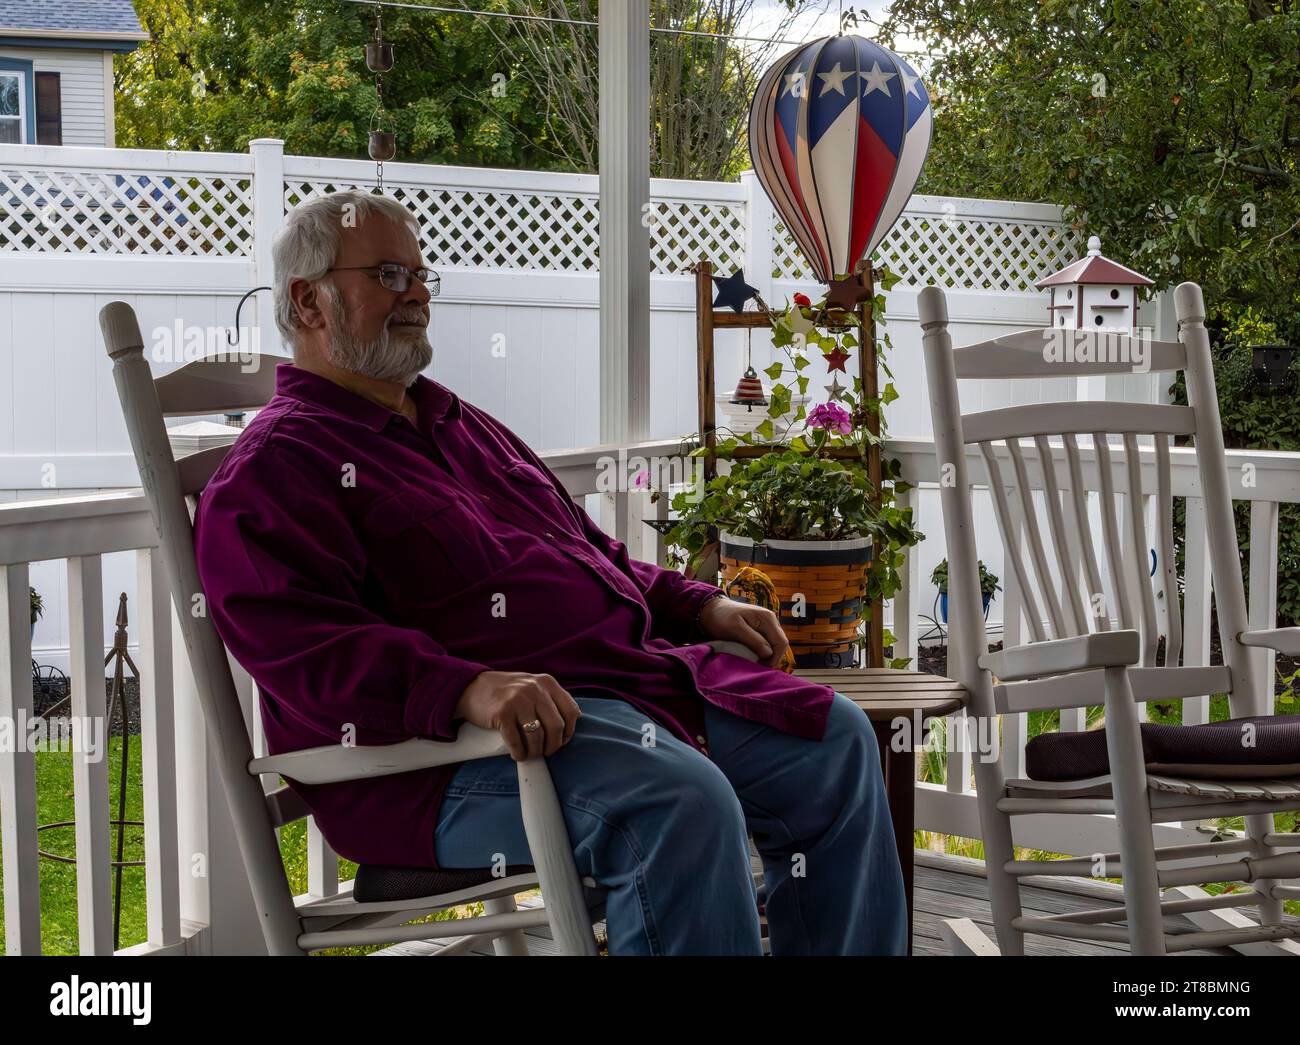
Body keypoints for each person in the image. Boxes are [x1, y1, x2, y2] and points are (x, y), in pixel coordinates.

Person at [193, 189, 907, 956]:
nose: (421, 295)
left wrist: (697, 605)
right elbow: (308, 652)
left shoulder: (454, 423)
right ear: (308, 301)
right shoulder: (275, 469)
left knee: (833, 740)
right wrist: (466, 684)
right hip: (438, 763)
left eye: (424, 275)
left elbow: (585, 553)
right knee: (683, 804)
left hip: (619, 690)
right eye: (393, 275)